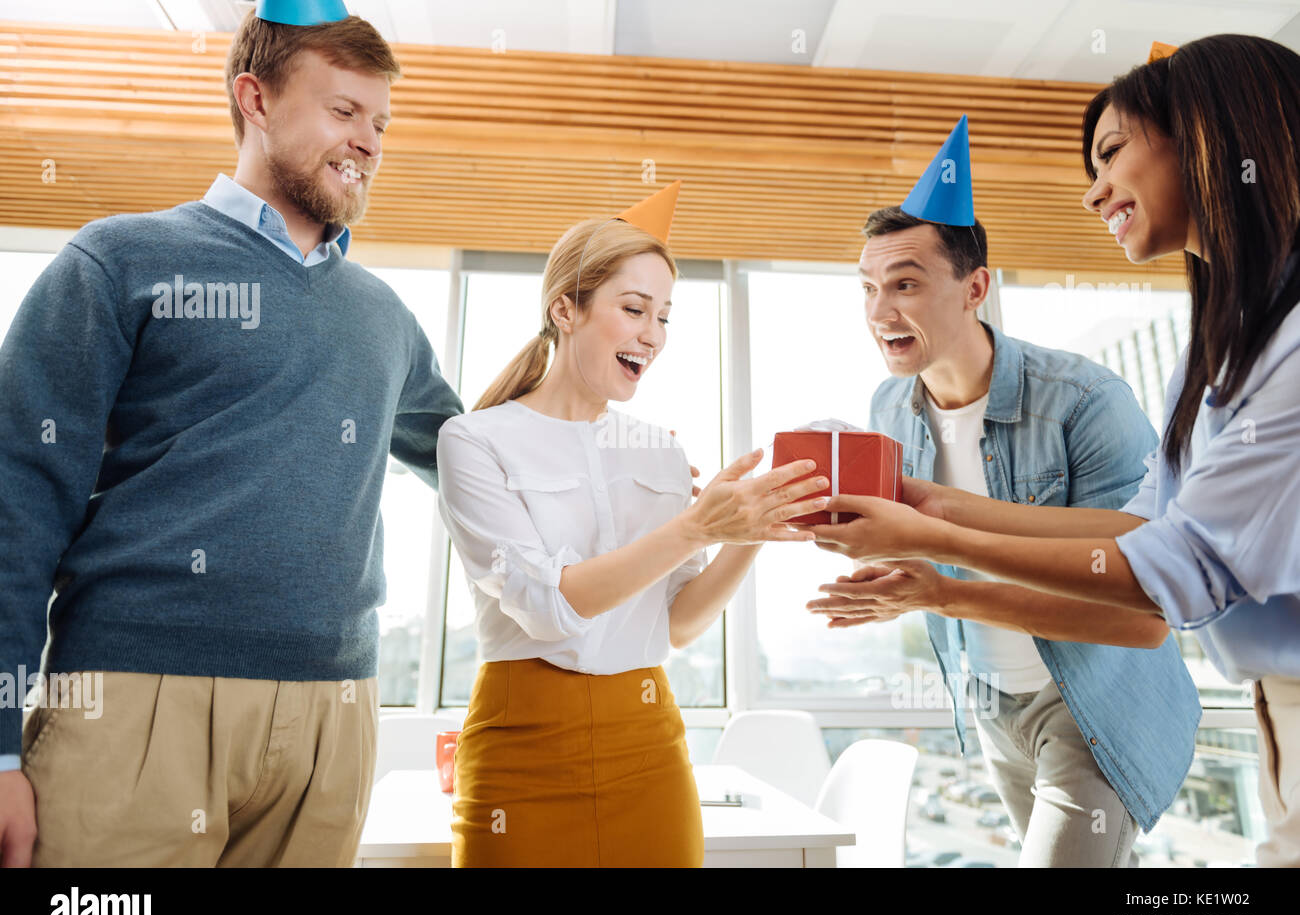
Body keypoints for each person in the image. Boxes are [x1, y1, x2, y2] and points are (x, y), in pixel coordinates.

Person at [808, 35, 1300, 867]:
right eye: (867, 286)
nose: (1091, 193)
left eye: (1112, 153)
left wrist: (934, 554)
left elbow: (1165, 579)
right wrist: (930, 510)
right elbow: (1147, 522)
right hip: (1246, 710)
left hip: (1096, 708)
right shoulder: (1215, 349)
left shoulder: (1095, 392)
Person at [0, 1, 463, 867]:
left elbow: (476, 461)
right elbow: (15, 498)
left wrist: (622, 477)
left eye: (380, 122)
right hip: (134, 705)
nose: (368, 139)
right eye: (343, 111)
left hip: (334, 720)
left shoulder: (385, 318)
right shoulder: (117, 263)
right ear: (254, 98)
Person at [436, 186, 827, 866]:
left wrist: (749, 530)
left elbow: (677, 621)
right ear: (566, 308)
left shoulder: (660, 449)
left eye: (665, 316)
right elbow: (549, 606)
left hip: (647, 743)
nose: (653, 333)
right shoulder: (473, 440)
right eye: (634, 308)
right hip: (519, 747)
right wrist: (698, 527)